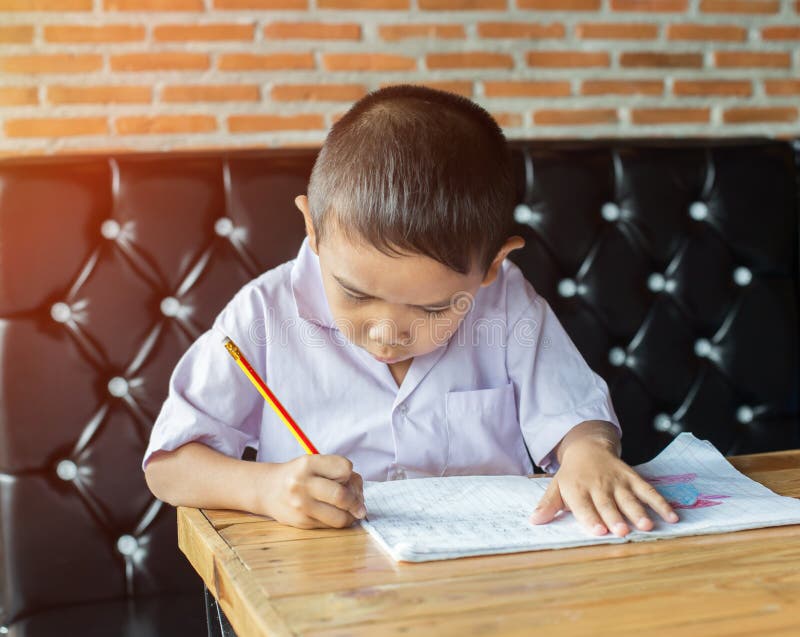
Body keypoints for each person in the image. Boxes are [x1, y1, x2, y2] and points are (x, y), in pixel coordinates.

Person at [143, 84, 678, 537]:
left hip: (486, 581)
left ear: (492, 265)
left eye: (433, 307)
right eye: (355, 294)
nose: (386, 331)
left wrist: (588, 454)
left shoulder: (505, 301)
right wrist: (264, 489)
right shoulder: (263, 313)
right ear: (313, 229)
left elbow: (574, 417)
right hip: (322, 591)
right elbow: (169, 467)